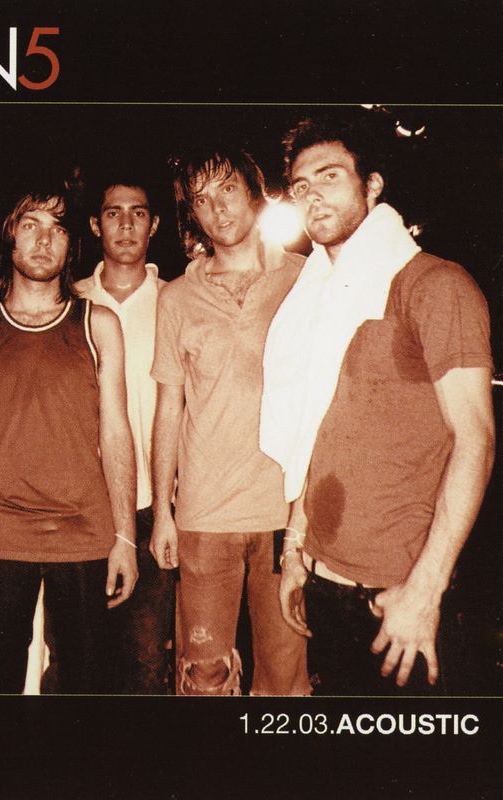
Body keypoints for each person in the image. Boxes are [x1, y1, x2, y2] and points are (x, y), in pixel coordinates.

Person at [262, 113, 495, 695]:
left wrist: (425, 591)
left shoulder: (435, 285)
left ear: (372, 186)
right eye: (300, 186)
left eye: (330, 176)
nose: (313, 195)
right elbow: (317, 431)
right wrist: (295, 551)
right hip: (324, 584)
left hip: (399, 596)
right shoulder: (318, 301)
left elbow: (476, 440)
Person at [0, 184, 138, 694]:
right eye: (31, 225)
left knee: (86, 689)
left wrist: (125, 537)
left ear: (71, 244)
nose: (43, 240)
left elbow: (116, 433)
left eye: (57, 228)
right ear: (9, 237)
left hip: (85, 531)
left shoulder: (99, 325)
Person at [150, 145, 310, 695]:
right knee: (203, 675)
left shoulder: (306, 280)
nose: (217, 208)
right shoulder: (176, 298)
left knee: (284, 678)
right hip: (204, 513)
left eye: (227, 190)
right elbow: (168, 408)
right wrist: (163, 512)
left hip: (286, 515)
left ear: (255, 193)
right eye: (201, 199)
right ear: (191, 215)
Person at [73, 170, 175, 693]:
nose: (126, 225)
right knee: (78, 658)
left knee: (146, 659)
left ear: (154, 225)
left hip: (157, 505)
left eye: (138, 213)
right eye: (114, 213)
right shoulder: (69, 301)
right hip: (82, 505)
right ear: (96, 225)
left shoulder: (178, 300)